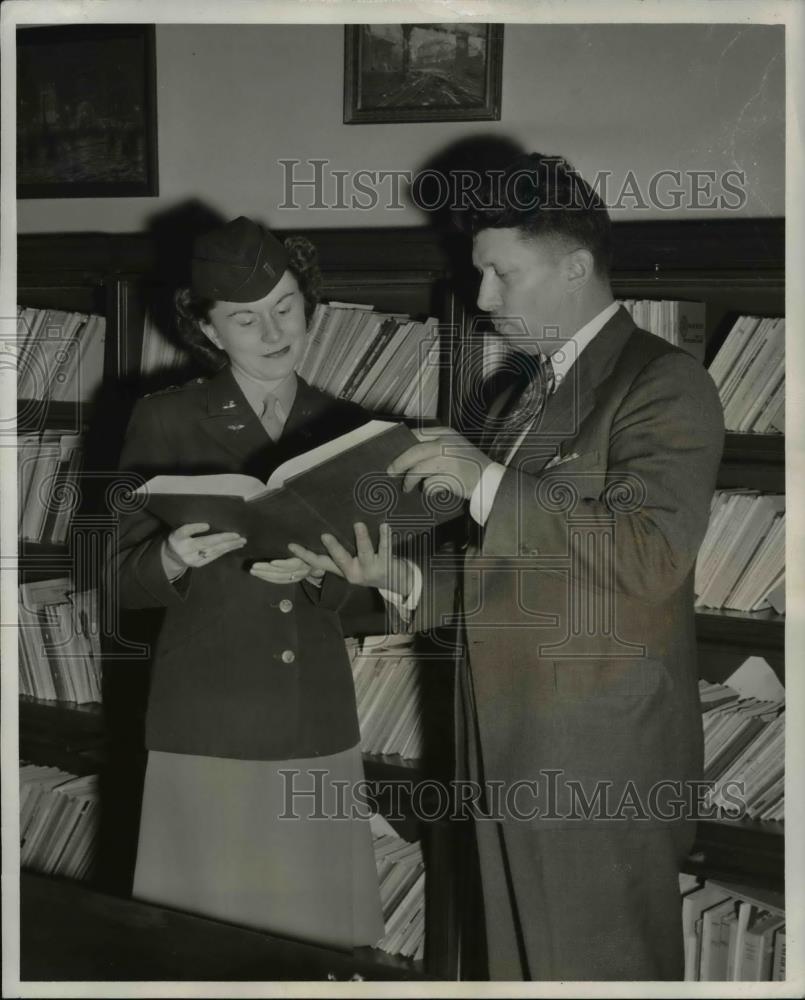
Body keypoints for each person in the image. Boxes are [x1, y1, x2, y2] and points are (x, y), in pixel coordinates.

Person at [289, 154, 726, 979]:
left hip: (594, 763)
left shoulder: (663, 384)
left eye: (501, 274)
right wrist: (404, 581)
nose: (483, 299)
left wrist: (484, 481)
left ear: (574, 267)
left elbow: (647, 554)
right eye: (478, 272)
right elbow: (520, 576)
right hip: (495, 743)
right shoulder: (519, 398)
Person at [109, 216, 385, 950]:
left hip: (314, 718)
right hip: (208, 720)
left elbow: (369, 594)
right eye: (245, 318)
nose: (273, 331)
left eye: (286, 308)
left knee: (314, 944)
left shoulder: (351, 427)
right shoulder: (162, 419)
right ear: (206, 327)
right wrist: (172, 555)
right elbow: (112, 574)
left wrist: (333, 575)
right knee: (206, 946)